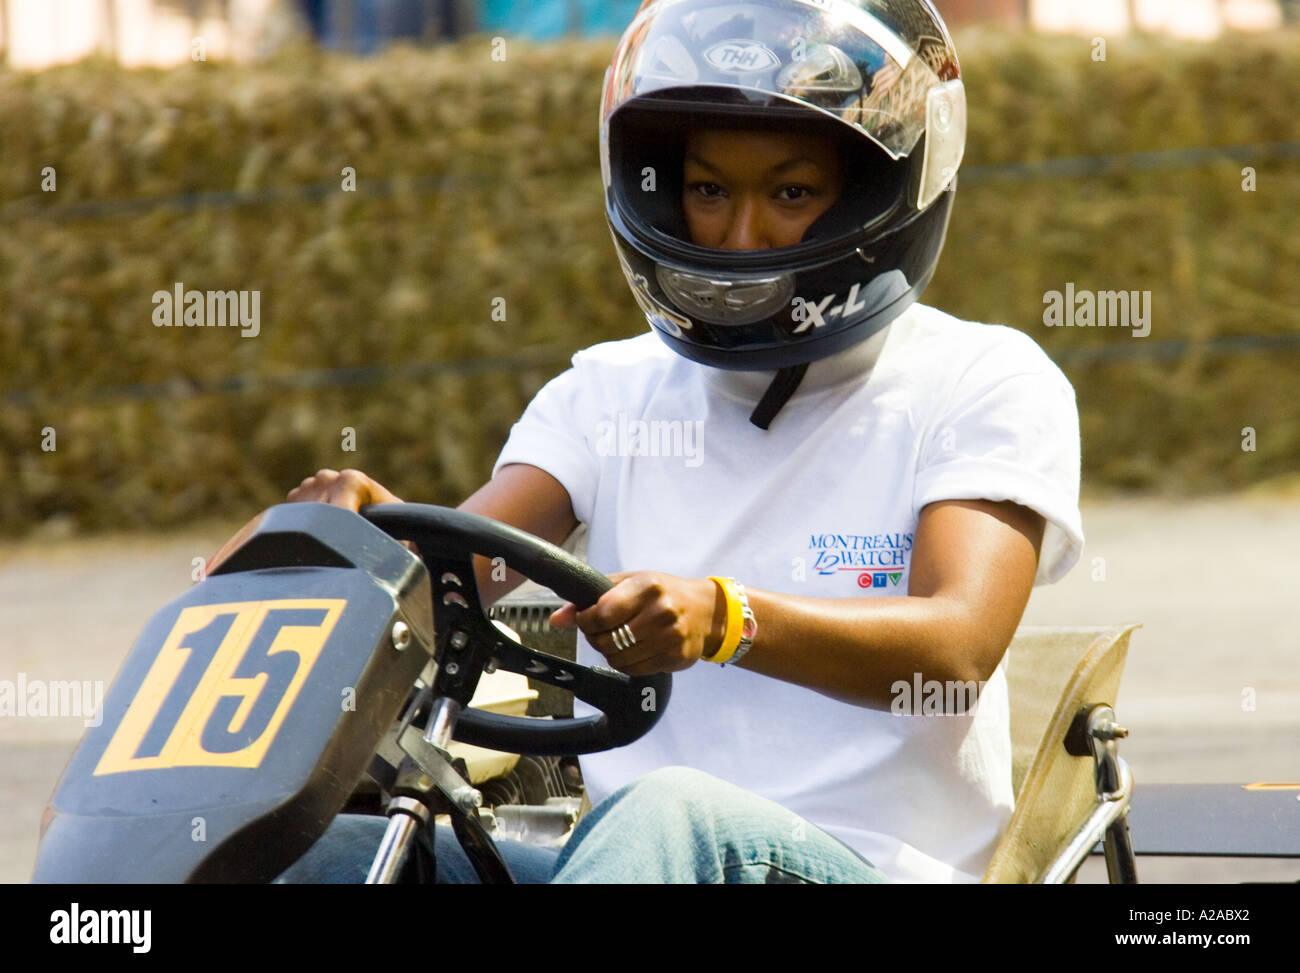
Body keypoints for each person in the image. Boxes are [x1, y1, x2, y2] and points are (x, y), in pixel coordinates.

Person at [257, 0, 1084, 884]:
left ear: (880, 188)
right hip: (625, 862)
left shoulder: (981, 377)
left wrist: (726, 618)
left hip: (868, 865)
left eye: (791, 193)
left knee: (669, 810)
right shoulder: (607, 390)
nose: (740, 236)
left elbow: (956, 649)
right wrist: (342, 544)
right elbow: (454, 574)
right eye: (709, 190)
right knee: (287, 857)